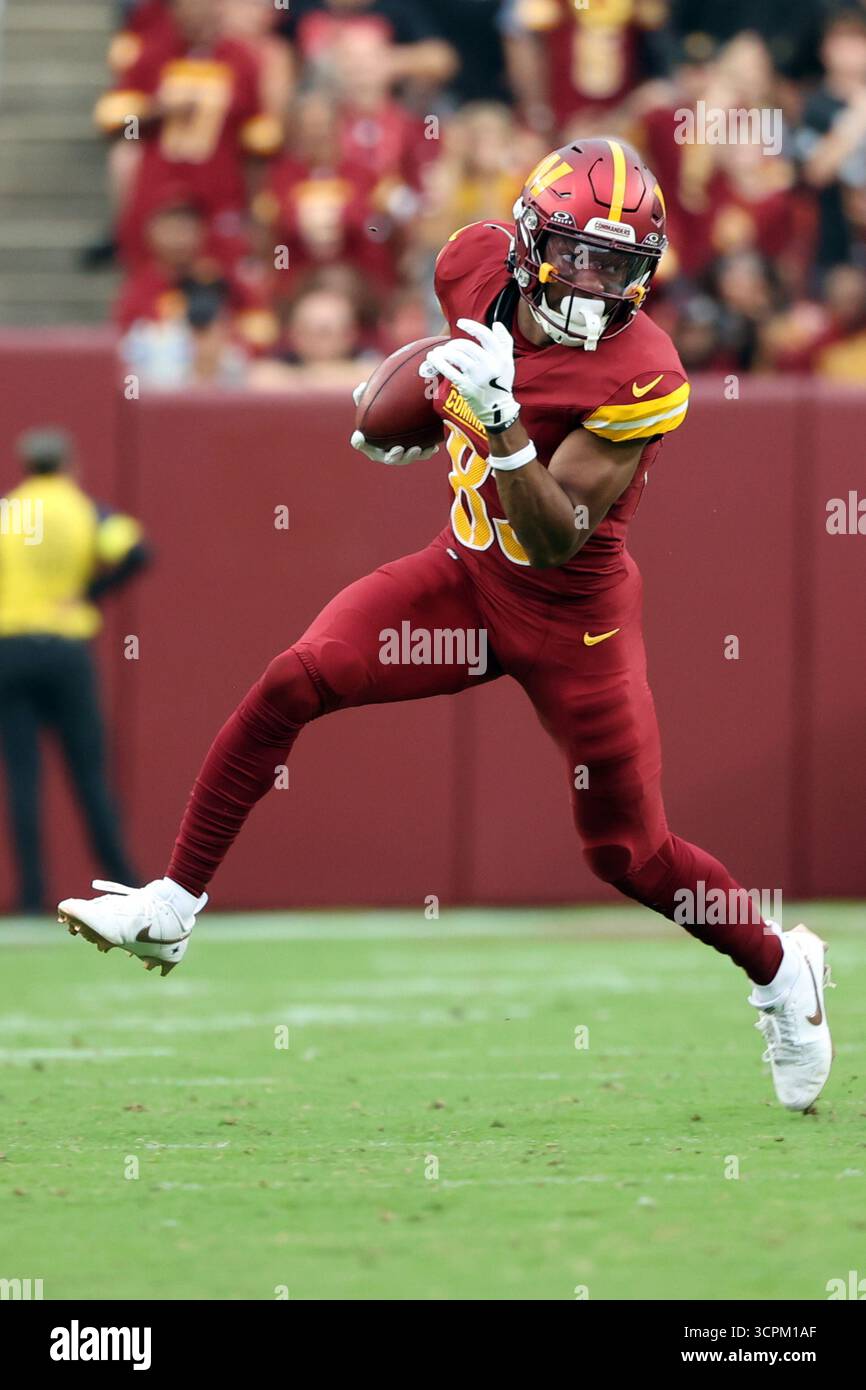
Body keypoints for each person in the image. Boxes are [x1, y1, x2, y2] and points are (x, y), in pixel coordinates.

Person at [58, 138, 832, 1114]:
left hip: (570, 622)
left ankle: (777, 968)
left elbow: (553, 538)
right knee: (295, 677)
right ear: (524, 244)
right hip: (462, 579)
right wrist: (415, 409)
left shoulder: (644, 372)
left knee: (625, 852)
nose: (593, 286)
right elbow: (438, 382)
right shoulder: (470, 268)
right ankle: (170, 905)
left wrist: (498, 427)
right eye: (575, 257)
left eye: (617, 266)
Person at [0, 431, 148, 914]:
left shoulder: (9, 511)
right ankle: (123, 884)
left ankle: (30, 896)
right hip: (65, 648)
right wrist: (89, 593)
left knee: (23, 776)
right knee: (88, 773)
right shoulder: (86, 510)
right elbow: (137, 552)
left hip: (10, 649)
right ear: (69, 464)